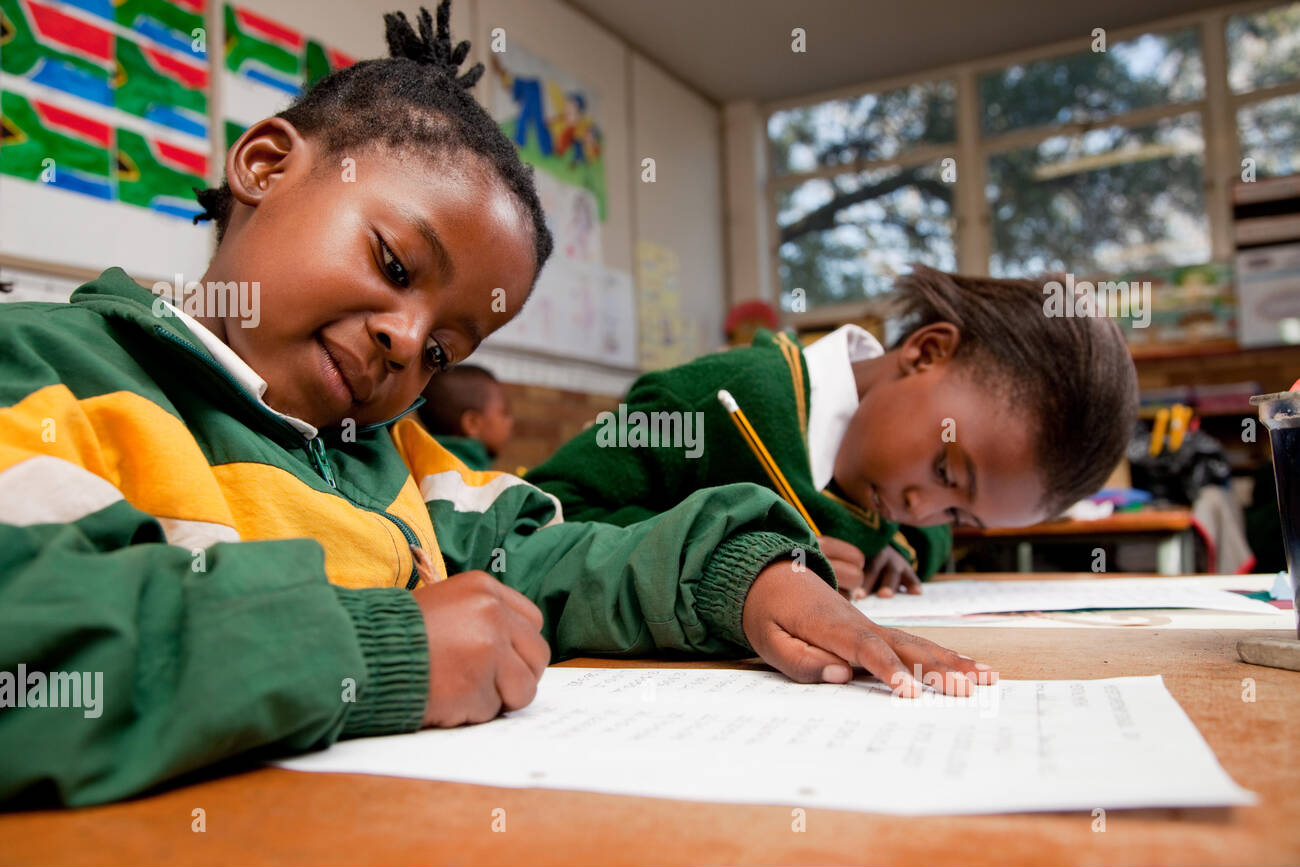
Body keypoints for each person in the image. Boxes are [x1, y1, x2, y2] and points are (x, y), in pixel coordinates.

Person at [0, 4, 990, 808]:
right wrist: (379, 649)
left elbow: (567, 552)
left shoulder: (410, 470)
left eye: (443, 348)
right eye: (392, 262)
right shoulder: (55, 380)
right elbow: (32, 642)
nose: (401, 342)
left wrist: (744, 575)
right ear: (263, 165)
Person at [528, 266, 1140, 598]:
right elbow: (543, 518)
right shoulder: (716, 398)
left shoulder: (897, 487)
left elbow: (923, 541)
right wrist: (735, 557)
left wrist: (895, 557)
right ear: (926, 352)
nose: (921, 509)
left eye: (959, 515)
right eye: (947, 472)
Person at [416, 364, 512, 470]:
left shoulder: (415, 464)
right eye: (505, 412)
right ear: (472, 423)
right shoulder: (476, 480)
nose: (510, 422)